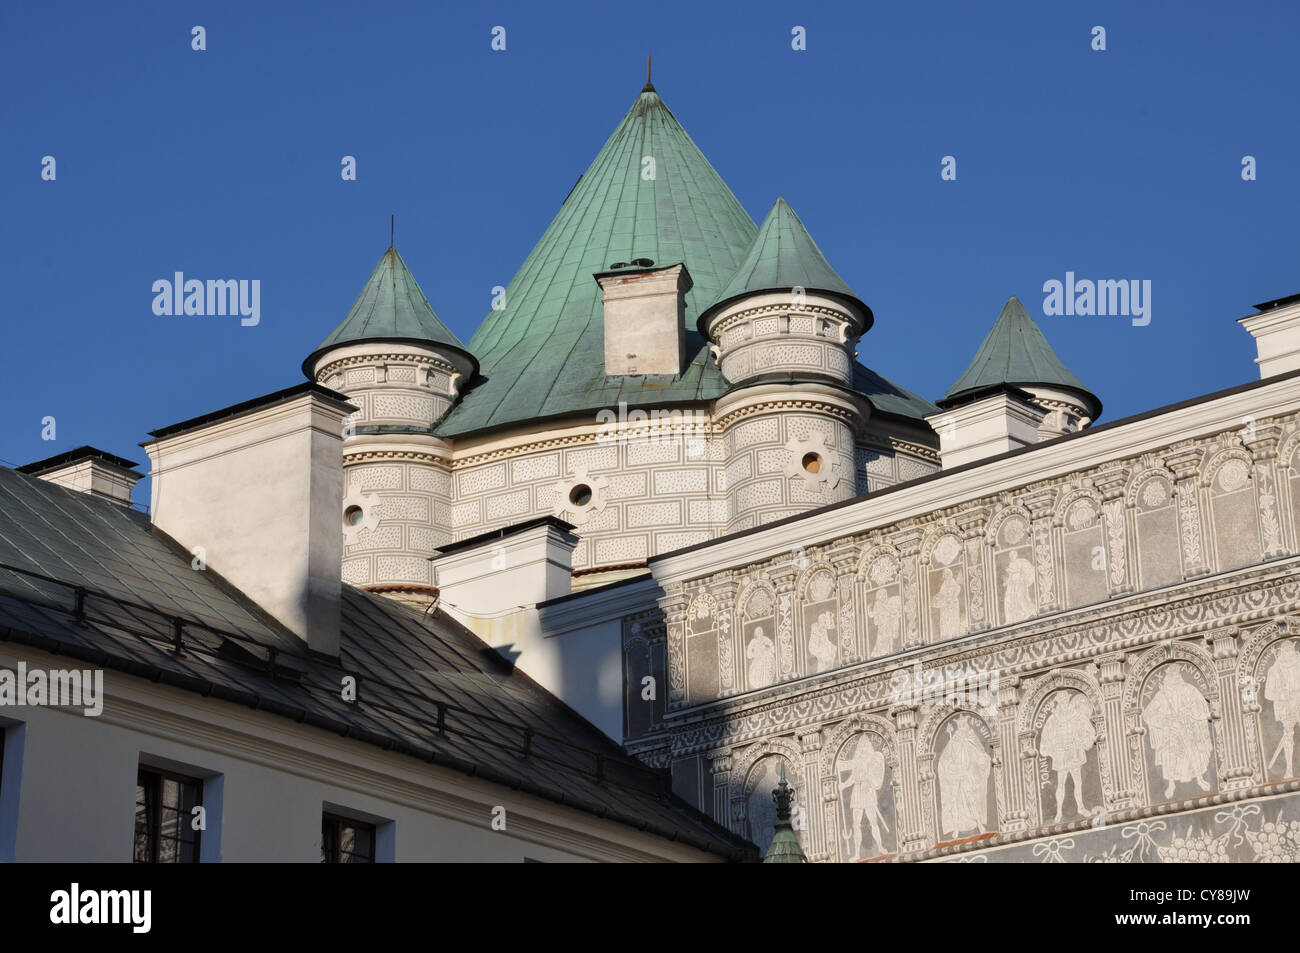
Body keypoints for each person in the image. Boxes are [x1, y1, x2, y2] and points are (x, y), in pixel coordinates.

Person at [1142, 667, 1213, 799]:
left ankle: (1199, 779)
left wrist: (1189, 713)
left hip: (1188, 727)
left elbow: (1200, 705)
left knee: (1193, 752)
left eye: (1176, 674)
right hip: (1171, 730)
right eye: (1171, 675)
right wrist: (1166, 720)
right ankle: (1171, 784)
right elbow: (1148, 714)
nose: (1174, 677)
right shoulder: (1162, 694)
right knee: (1170, 756)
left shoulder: (1189, 689)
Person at [1039, 693, 1095, 821]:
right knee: (1061, 783)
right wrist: (1052, 747)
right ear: (1058, 702)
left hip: (1074, 752)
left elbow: (1086, 728)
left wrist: (1081, 740)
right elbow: (1047, 735)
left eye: (1065, 700)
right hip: (1061, 754)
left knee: (1078, 781)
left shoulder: (1075, 715)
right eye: (1061, 700)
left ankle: (1081, 807)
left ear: (1068, 700)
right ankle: (1058, 812)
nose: (1063, 702)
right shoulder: (1054, 718)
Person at [937, 717, 992, 837]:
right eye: (960, 726)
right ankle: (956, 827)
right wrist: (951, 767)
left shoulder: (969, 740)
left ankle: (979, 824)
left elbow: (979, 754)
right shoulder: (953, 742)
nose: (962, 729)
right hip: (956, 776)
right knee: (954, 801)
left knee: (971, 799)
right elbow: (944, 761)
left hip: (966, 774)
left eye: (964, 726)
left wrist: (982, 760)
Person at [839, 736, 888, 858]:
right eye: (861, 746)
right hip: (857, 791)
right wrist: (844, 785)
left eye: (865, 745)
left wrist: (869, 780)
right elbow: (853, 777)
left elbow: (875, 775)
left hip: (868, 790)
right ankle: (857, 854)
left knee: (873, 821)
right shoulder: (857, 761)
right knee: (856, 824)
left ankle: (880, 847)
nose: (862, 748)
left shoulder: (873, 760)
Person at [1264, 641, 1300, 778]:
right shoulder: (1274, 670)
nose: (1289, 654)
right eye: (1285, 651)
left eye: (1290, 650)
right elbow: (1268, 693)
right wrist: (1280, 694)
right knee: (1288, 735)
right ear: (1282, 652)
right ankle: (1290, 769)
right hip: (1285, 707)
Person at [1002, 549, 1036, 623]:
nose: (1012, 556)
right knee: (1011, 600)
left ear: (1016, 555)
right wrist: (1007, 583)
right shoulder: (1011, 564)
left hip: (1020, 583)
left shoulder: (1020, 562)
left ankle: (1028, 612)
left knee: (1021, 597)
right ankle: (1015, 617)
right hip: (1012, 584)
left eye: (1013, 555)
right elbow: (1011, 576)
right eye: (1010, 555)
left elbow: (1020, 571)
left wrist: (1011, 571)